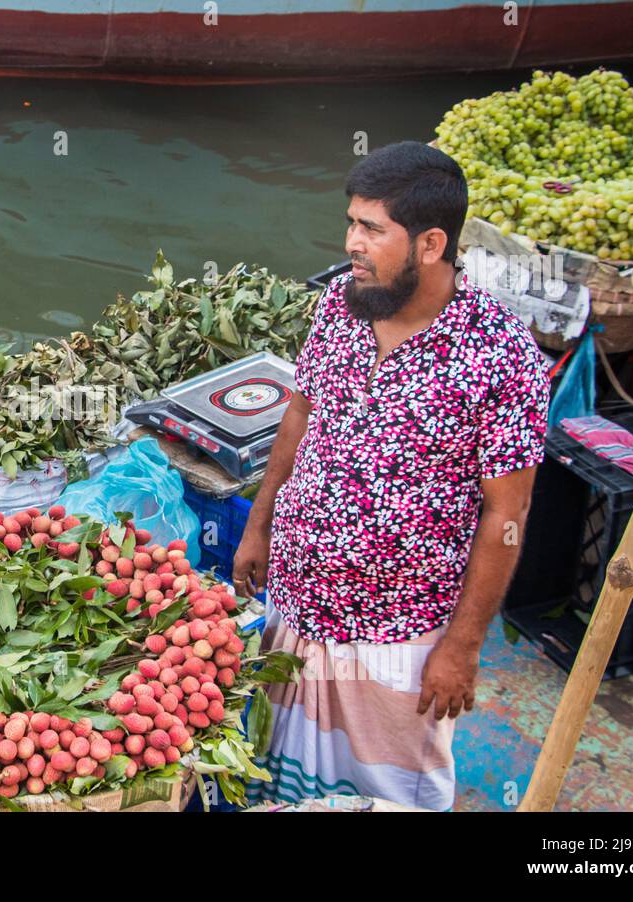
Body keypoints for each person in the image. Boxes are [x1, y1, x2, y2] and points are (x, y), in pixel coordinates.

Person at [232, 141, 549, 810]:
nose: (352, 242)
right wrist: (258, 526)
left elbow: (507, 513)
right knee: (279, 770)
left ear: (431, 244)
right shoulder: (341, 308)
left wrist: (461, 647)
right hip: (300, 600)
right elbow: (299, 418)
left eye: (372, 229)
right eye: (351, 222)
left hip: (401, 631)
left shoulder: (500, 353)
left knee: (388, 788)